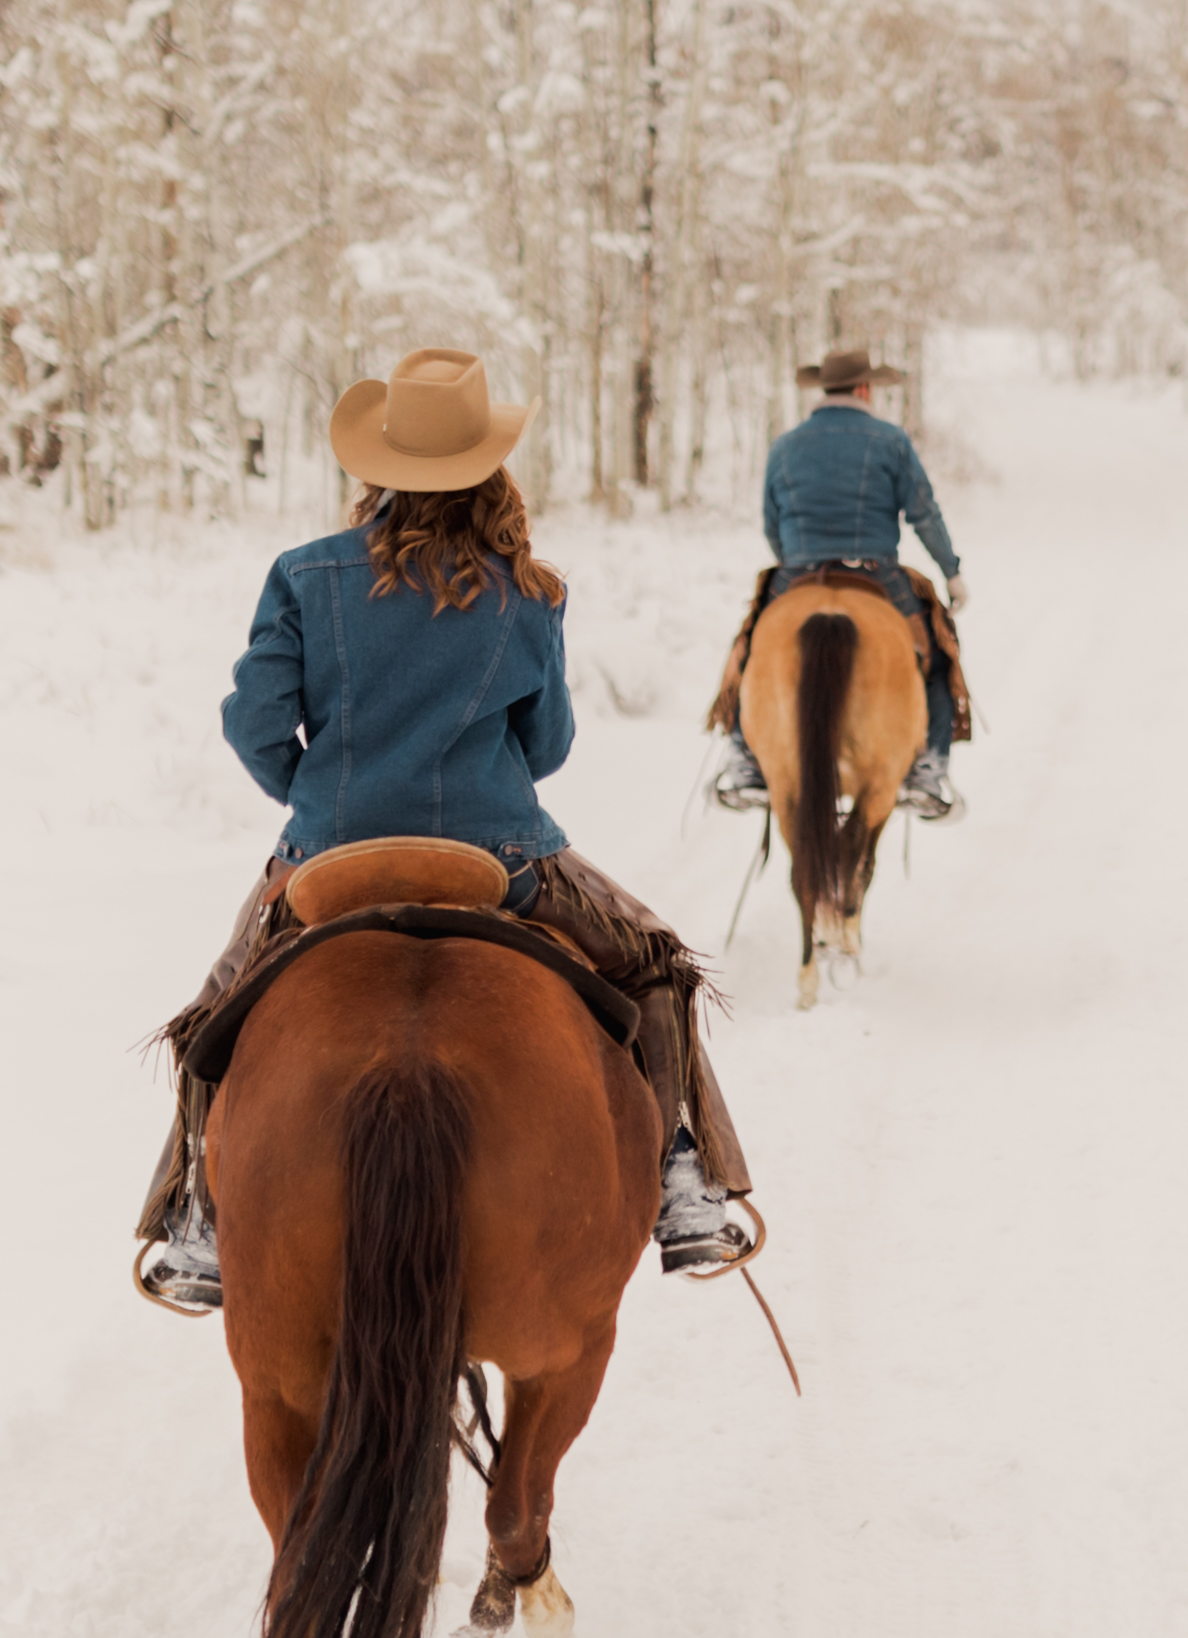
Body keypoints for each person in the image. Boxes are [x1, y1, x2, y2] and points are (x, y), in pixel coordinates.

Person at [138, 346, 751, 1312]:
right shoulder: (530, 589)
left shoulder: (303, 575)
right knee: (659, 969)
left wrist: (320, 795)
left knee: (214, 1015)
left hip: (327, 859)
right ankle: (685, 1183)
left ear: (376, 462)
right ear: (487, 463)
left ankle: (198, 1222)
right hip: (502, 860)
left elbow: (252, 721)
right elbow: (546, 747)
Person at [711, 342, 971, 821]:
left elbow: (771, 522)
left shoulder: (785, 444)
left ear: (825, 388)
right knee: (935, 656)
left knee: (748, 649)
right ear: (866, 387)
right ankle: (929, 769)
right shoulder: (890, 440)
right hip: (877, 573)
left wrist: (795, 565)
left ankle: (744, 760)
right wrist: (950, 571)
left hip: (798, 572)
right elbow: (923, 513)